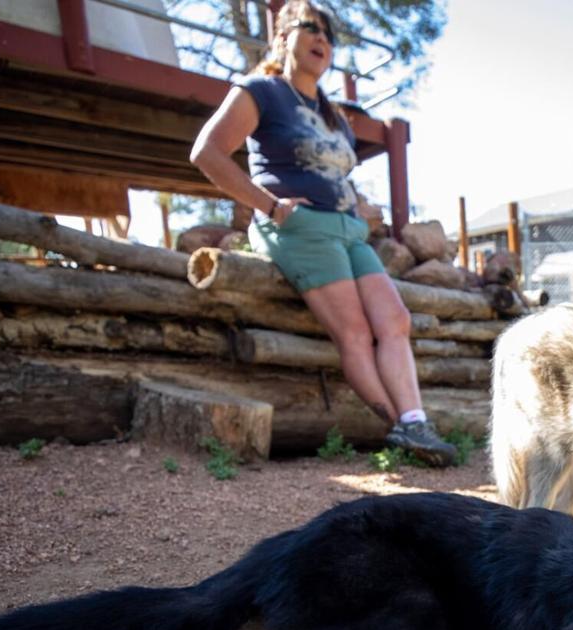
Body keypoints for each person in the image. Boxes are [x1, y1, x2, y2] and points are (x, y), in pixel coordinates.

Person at [190, 0, 457, 466]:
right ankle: (402, 430)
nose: (321, 39)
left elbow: (339, 174)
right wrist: (271, 208)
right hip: (300, 227)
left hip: (349, 231)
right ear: (283, 37)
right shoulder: (261, 92)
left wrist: (359, 209)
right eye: (309, 28)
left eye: (329, 35)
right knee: (353, 331)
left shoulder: (332, 113)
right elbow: (206, 153)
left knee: (395, 321)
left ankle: (416, 423)